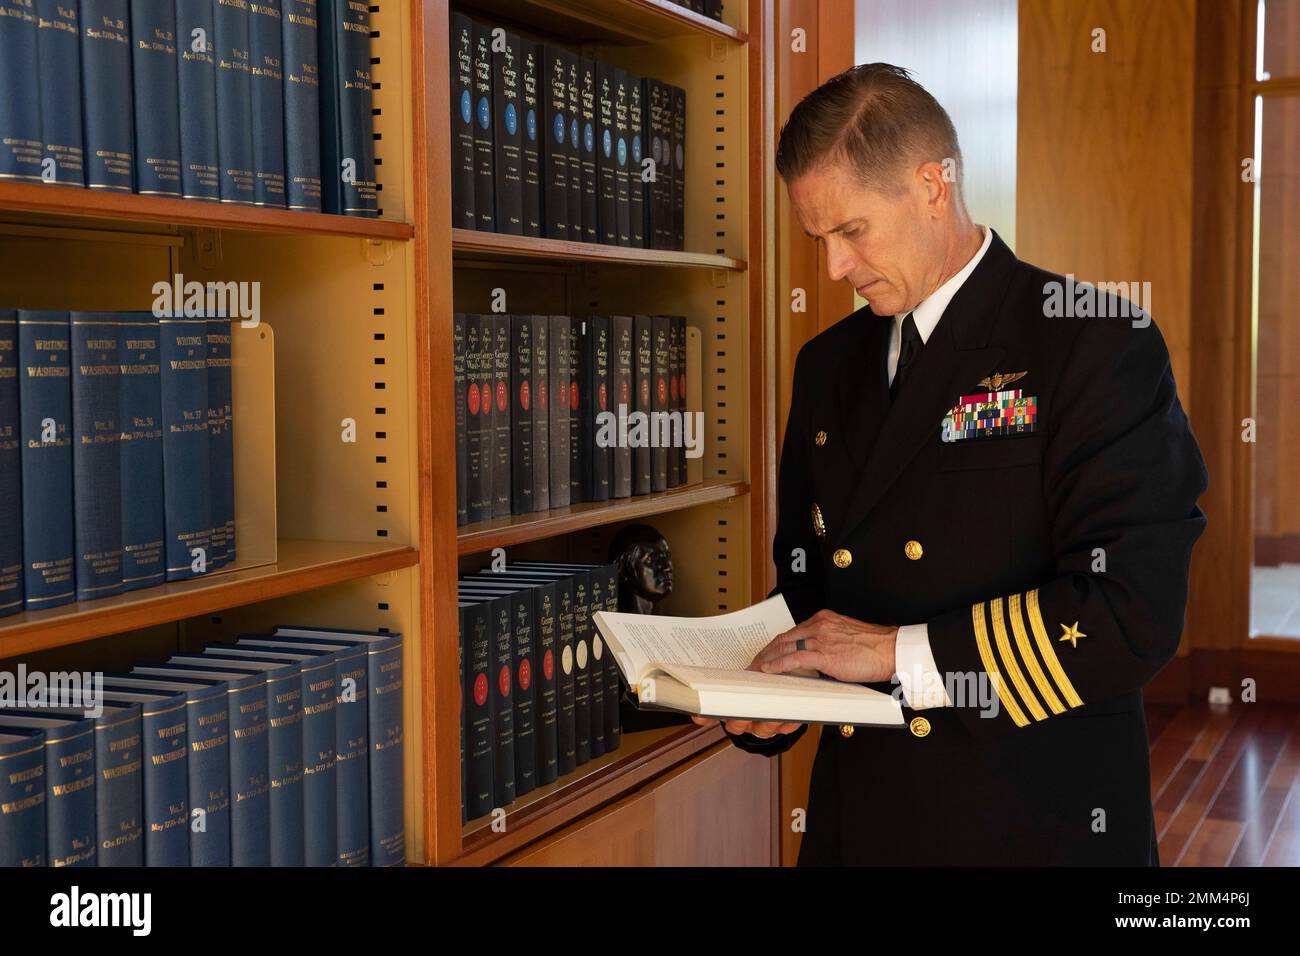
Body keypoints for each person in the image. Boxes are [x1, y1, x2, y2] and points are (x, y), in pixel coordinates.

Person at [692, 63, 1208, 865]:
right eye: (817, 238)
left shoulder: (1094, 342)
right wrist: (765, 686)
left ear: (934, 185)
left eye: (851, 231)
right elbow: (812, 586)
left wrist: (895, 652)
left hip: (1032, 819)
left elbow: (1130, 613)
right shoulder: (827, 365)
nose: (833, 269)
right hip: (861, 821)